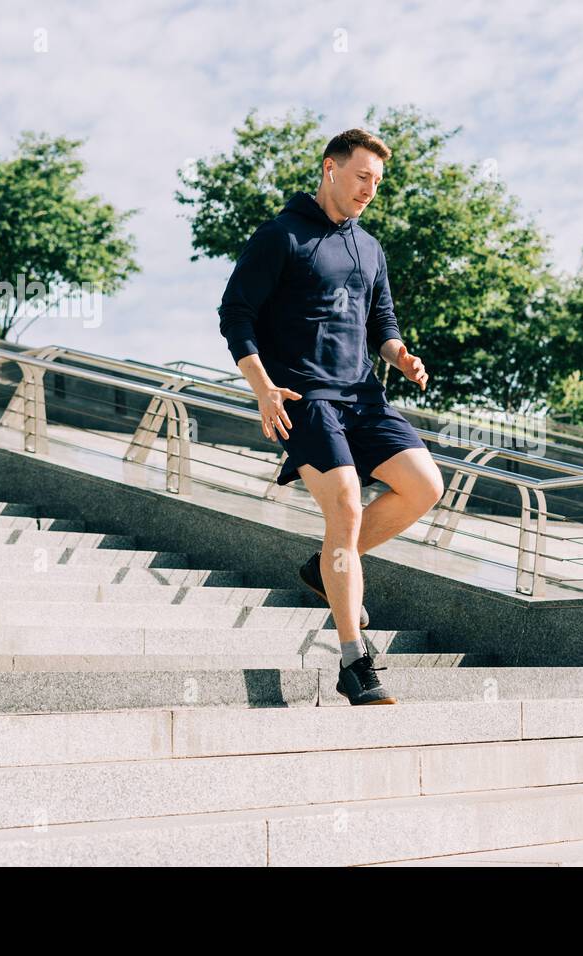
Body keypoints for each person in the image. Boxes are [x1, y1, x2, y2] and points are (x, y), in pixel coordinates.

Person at [217, 128, 444, 706]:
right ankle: (354, 660)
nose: (370, 189)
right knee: (344, 502)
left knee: (424, 486)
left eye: (378, 182)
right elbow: (235, 314)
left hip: (362, 396)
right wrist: (263, 388)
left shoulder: (369, 248)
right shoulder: (281, 235)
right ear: (330, 169)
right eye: (362, 176)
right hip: (305, 399)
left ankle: (327, 569)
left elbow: (381, 322)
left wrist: (400, 354)